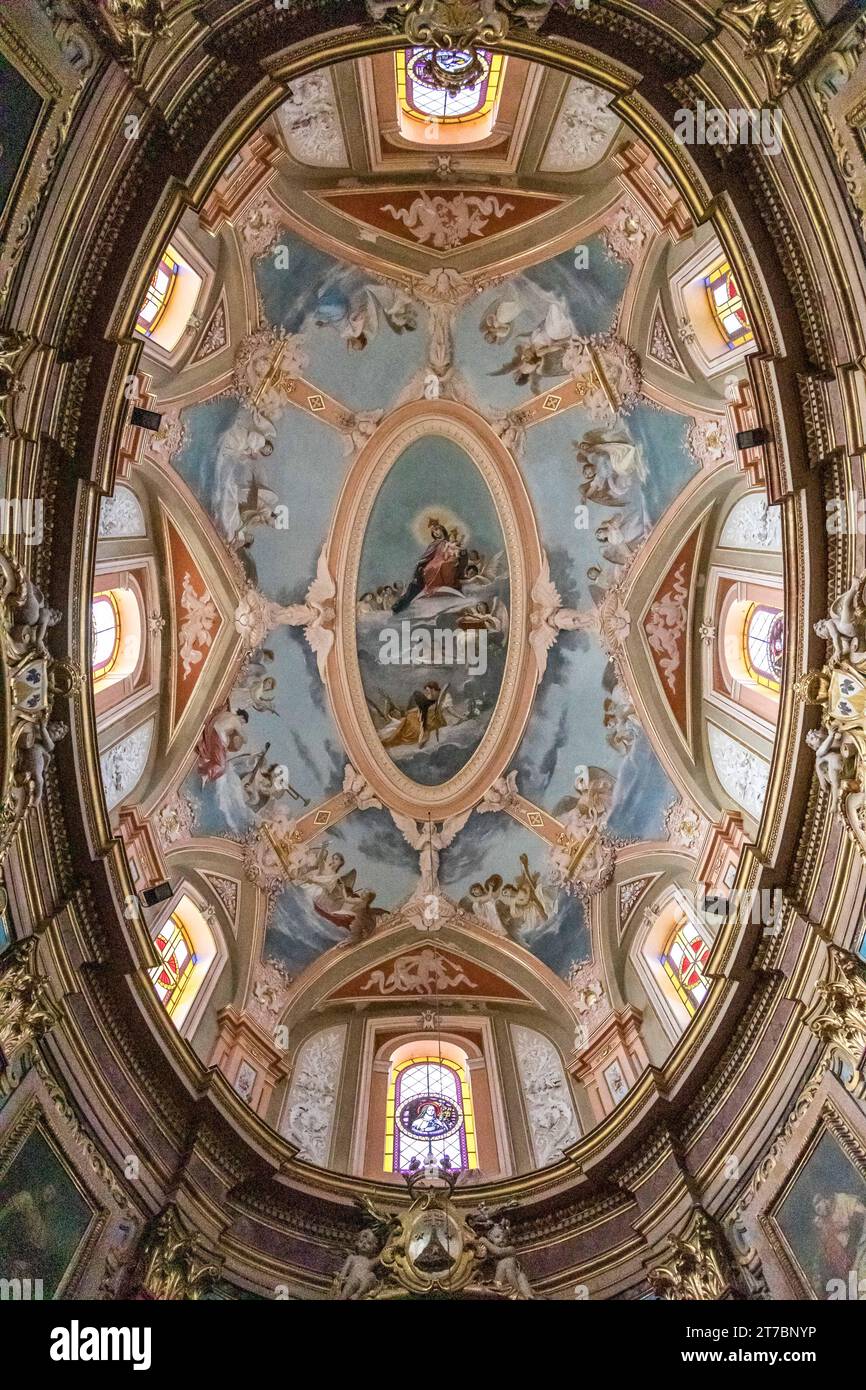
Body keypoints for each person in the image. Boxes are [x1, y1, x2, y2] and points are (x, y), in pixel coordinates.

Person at [392, 519, 467, 614]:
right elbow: (427, 555)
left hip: (447, 562)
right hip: (433, 564)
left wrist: (461, 553)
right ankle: (399, 606)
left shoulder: (450, 542)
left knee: (443, 565)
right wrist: (420, 562)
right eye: (433, 532)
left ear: (442, 530)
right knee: (430, 570)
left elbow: (459, 552)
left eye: (437, 530)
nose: (435, 533)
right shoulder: (434, 543)